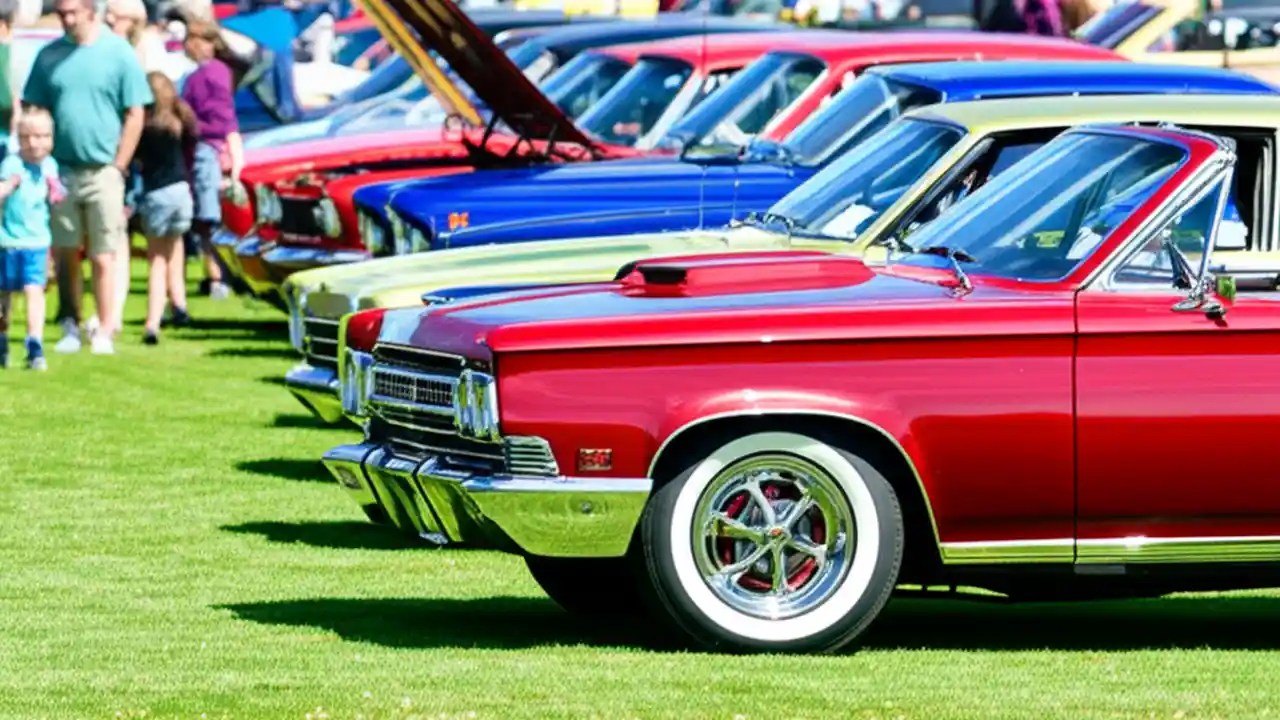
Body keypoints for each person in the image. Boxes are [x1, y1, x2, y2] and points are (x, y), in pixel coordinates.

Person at [24, 0, 153, 355]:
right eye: (62, 13)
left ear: (90, 11)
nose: (66, 19)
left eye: (72, 13)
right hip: (60, 169)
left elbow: (135, 111)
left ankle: (105, 328)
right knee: (65, 252)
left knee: (103, 254)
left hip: (103, 171)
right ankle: (70, 322)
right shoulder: (49, 56)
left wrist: (120, 163)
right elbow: (34, 107)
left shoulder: (117, 53)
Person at [181, 18, 242, 300]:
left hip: (208, 150)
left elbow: (222, 119)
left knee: (209, 219)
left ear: (209, 42)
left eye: (194, 39)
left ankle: (218, 277)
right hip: (212, 150)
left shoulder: (209, 75)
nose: (188, 45)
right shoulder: (217, 72)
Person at [135, 71, 193, 344]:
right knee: (176, 247)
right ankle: (180, 305)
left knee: (156, 260)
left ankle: (152, 322)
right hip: (181, 192)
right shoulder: (179, 123)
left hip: (156, 194)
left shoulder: (144, 128)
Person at [0, 109, 61, 371]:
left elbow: (56, 194)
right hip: (8, 241)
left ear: (51, 138)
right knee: (4, 296)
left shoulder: (50, 165)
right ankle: (2, 338)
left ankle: (34, 343)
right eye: (27, 137)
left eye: (41, 136)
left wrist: (57, 192)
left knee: (34, 290)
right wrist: (9, 185)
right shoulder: (12, 164)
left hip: (37, 241)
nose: (34, 143)